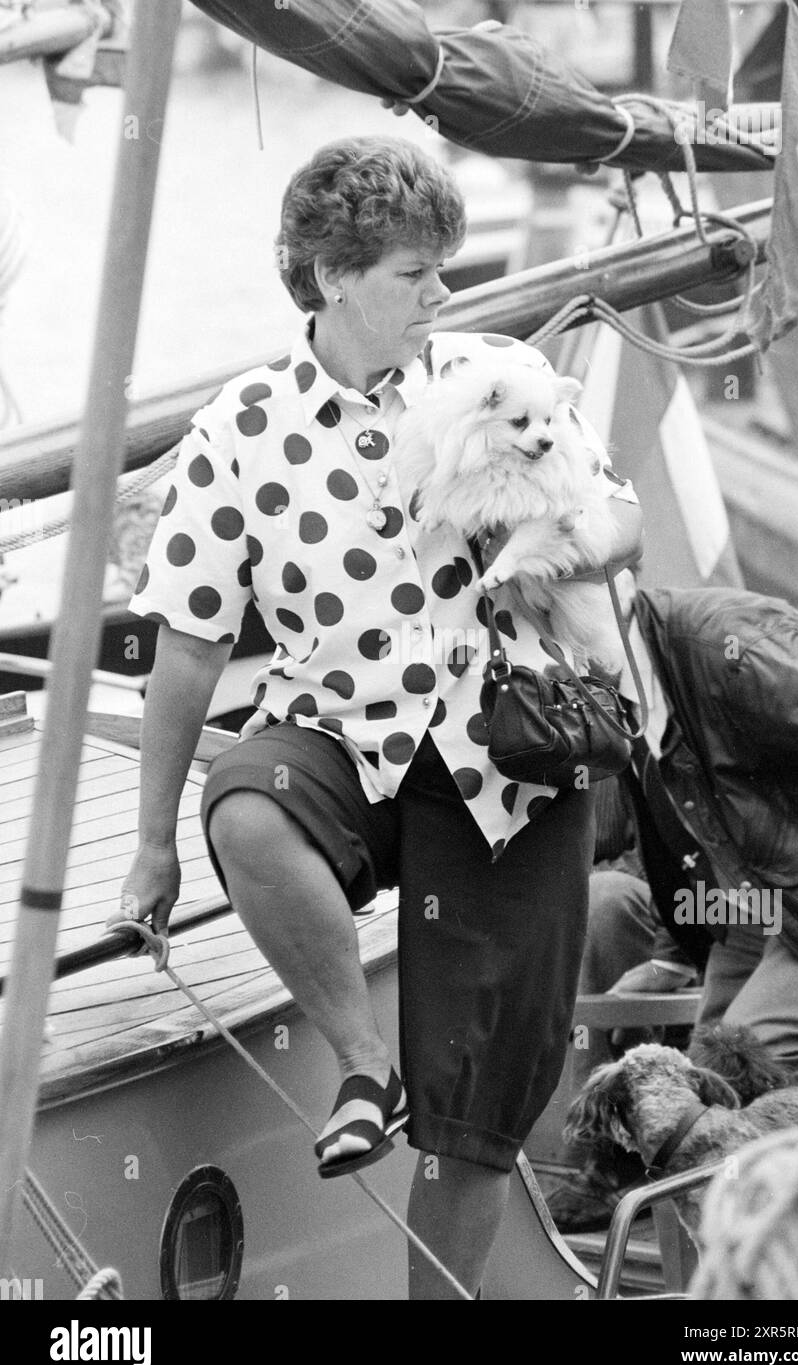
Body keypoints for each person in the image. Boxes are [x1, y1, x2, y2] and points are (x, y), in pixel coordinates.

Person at [116, 136, 643, 1299]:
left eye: (443, 271)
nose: (441, 297)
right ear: (333, 276)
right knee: (245, 808)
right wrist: (152, 843)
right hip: (343, 741)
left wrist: (543, 537)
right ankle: (364, 1066)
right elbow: (192, 643)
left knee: (474, 1127)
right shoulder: (243, 429)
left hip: (510, 754)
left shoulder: (496, 377)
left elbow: (618, 522)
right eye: (417, 274)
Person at [549, 576, 798, 1232]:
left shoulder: (725, 644)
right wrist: (672, 952)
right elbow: (680, 844)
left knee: (755, 1045)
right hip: (765, 902)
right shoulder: (634, 701)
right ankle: (745, 1232)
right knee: (715, 1069)